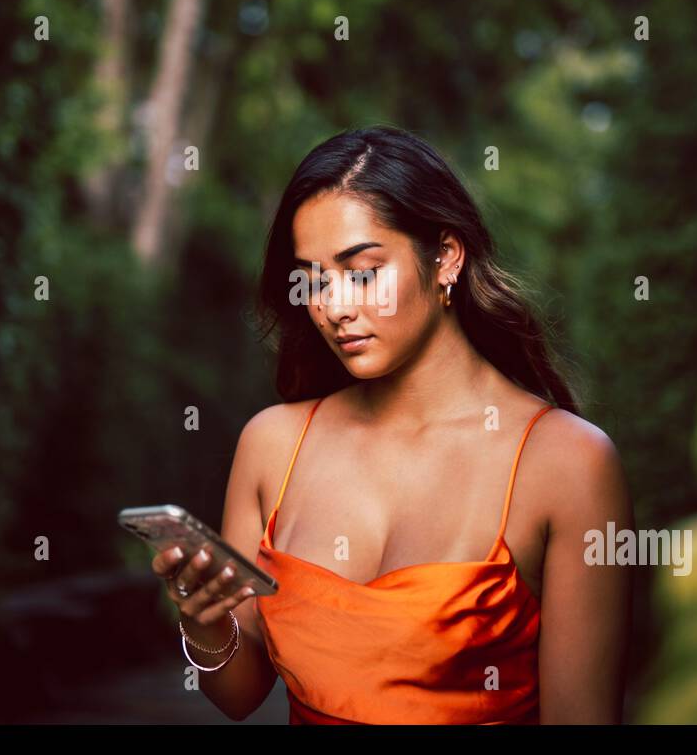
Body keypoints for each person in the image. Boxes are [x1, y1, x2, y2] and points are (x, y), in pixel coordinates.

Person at [152, 125, 633, 723]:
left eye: (362, 271)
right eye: (315, 279)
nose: (334, 306)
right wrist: (203, 618)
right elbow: (240, 694)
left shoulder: (566, 463)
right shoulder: (273, 444)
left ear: (446, 259)